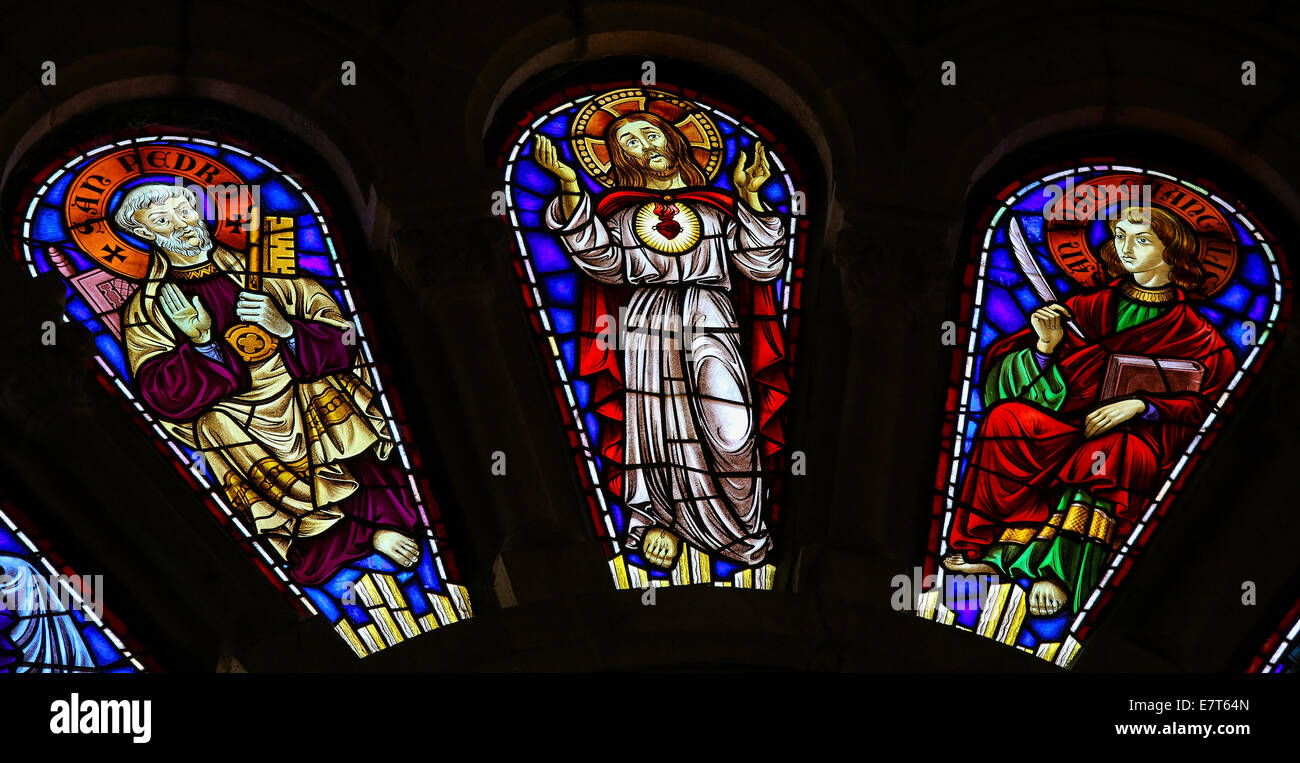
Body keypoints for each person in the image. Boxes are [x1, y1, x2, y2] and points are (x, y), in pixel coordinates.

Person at [118, 184, 421, 586]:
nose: (181, 225)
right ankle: (356, 536)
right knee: (214, 427)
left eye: (183, 210)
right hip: (235, 409)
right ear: (145, 235)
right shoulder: (150, 306)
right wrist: (203, 344)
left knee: (324, 390)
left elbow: (344, 336)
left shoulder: (262, 269)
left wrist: (286, 329)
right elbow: (160, 392)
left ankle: (379, 519)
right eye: (161, 220)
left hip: (301, 384)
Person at [944, 206, 1236, 616]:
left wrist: (1141, 405)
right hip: (1065, 423)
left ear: (1175, 251)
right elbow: (1005, 386)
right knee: (1005, 418)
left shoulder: (1200, 335)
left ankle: (1059, 571)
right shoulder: (1085, 307)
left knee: (1114, 450)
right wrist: (1046, 346)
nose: (1126, 247)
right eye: (1120, 236)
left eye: (1142, 238)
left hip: (1135, 439)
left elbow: (1209, 408)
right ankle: (996, 553)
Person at [534, 112, 788, 568]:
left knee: (732, 428)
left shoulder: (713, 208)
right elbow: (603, 263)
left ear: (673, 139)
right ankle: (661, 519)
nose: (643, 143)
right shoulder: (622, 213)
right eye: (628, 141)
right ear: (617, 158)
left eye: (650, 132)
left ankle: (744, 529)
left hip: (714, 319)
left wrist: (749, 195)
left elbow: (760, 265)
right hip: (648, 324)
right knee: (655, 422)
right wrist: (571, 187)